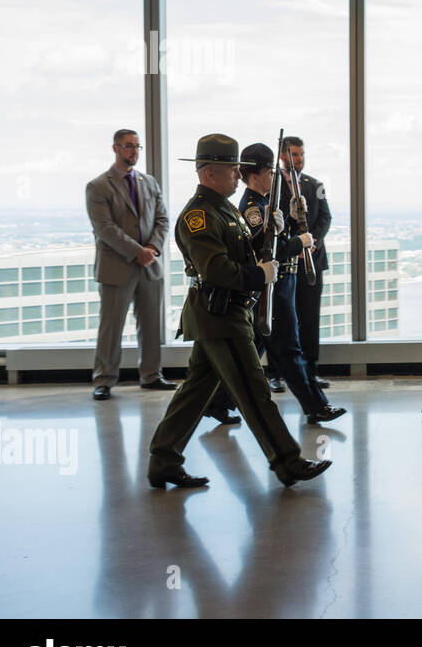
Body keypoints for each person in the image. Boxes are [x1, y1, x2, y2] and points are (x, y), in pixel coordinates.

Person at [146, 133, 331, 489]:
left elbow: (243, 249)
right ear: (211, 172)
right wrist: (258, 274)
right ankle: (287, 462)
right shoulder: (199, 215)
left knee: (195, 393)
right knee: (254, 391)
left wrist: (276, 234)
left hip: (228, 313)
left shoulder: (224, 208)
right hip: (220, 316)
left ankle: (163, 460)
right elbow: (216, 269)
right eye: (233, 170)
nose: (238, 176)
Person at [201, 143, 346, 426]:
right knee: (290, 349)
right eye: (270, 172)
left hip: (280, 284)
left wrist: (292, 220)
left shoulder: (266, 203)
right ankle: (316, 406)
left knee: (255, 350)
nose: (273, 177)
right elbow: (266, 252)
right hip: (272, 288)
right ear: (256, 174)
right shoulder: (254, 208)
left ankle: (218, 402)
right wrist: (299, 242)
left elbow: (274, 240)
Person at [85, 129, 173, 400]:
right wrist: (137, 252)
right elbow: (104, 228)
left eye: (137, 146)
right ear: (115, 148)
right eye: (128, 146)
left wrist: (152, 248)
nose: (133, 151)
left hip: (149, 265)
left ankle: (151, 375)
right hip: (117, 266)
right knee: (111, 326)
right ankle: (104, 379)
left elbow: (162, 219)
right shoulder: (98, 186)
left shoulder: (149, 182)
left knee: (151, 324)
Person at [278, 136, 331, 387]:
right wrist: (293, 245)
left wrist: (311, 243)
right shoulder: (273, 184)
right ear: (282, 156)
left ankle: (311, 370)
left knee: (309, 317)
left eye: (301, 154)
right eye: (293, 154)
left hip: (313, 260)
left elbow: (325, 218)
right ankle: (278, 374)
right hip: (284, 260)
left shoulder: (315, 184)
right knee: (283, 318)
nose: (298, 159)